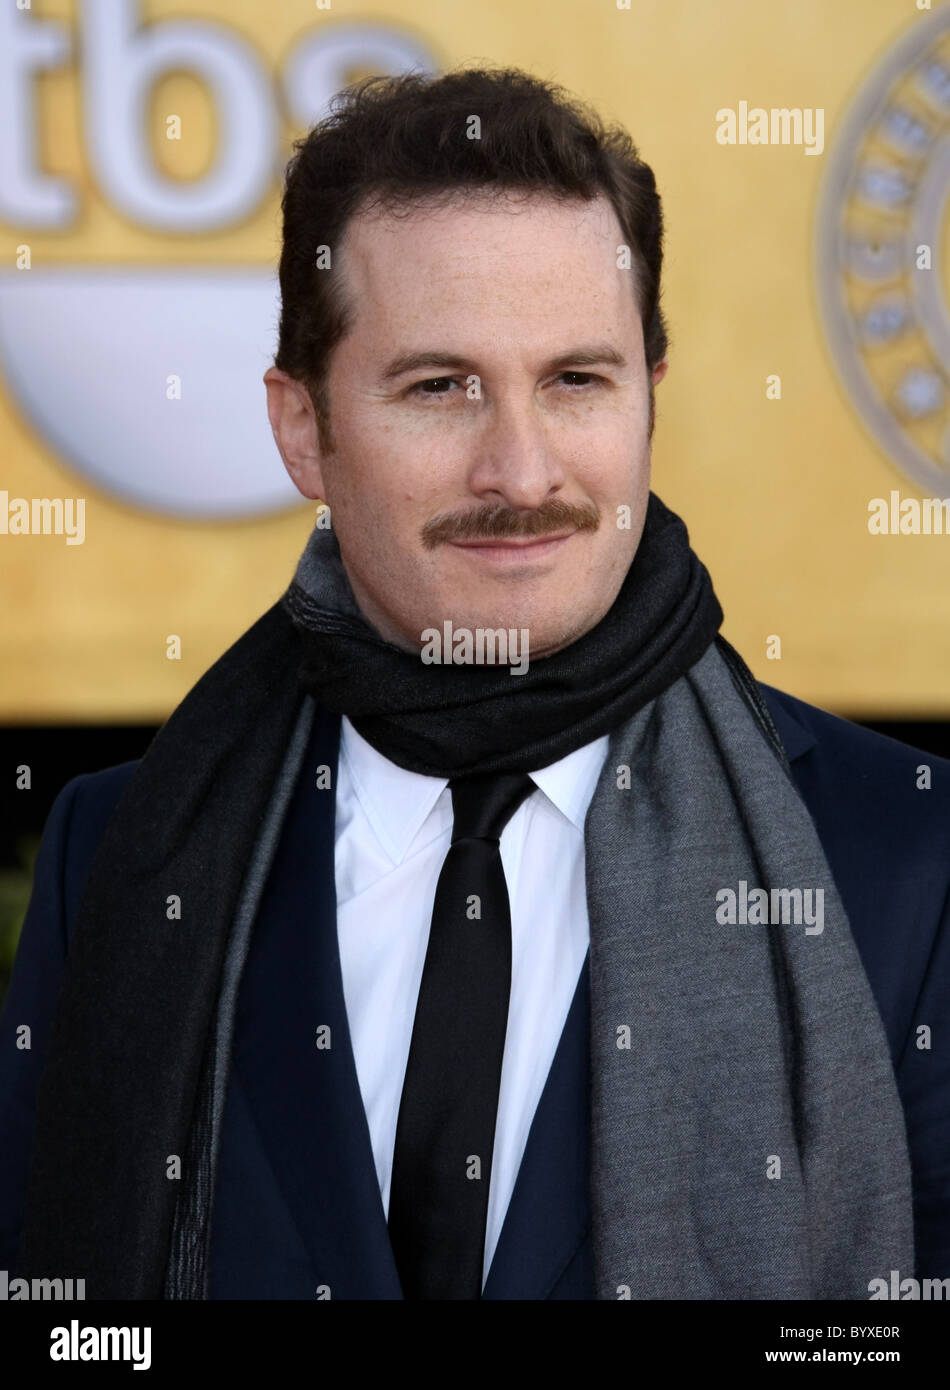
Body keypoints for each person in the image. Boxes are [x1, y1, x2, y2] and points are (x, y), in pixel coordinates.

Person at [1, 66, 947, 1302]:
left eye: (574, 380)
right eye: (439, 386)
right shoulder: (119, 853)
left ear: (648, 400)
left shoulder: (900, 856)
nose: (520, 469)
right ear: (303, 430)